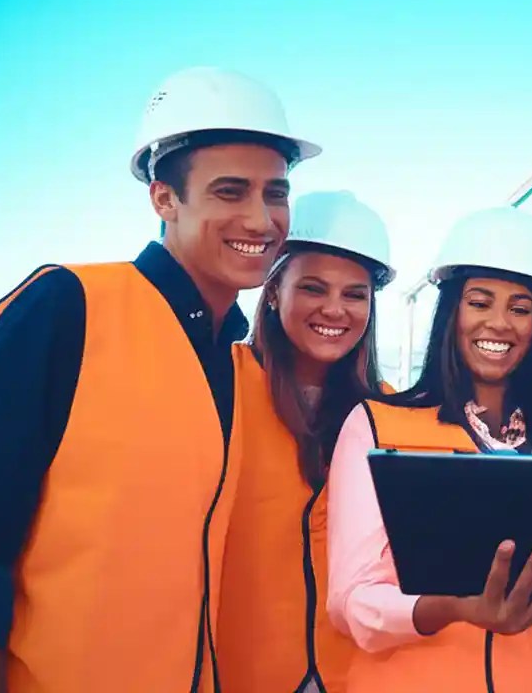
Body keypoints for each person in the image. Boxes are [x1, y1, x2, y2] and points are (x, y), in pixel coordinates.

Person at [0, 66, 319, 692]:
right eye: (230, 191)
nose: (261, 219)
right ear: (164, 198)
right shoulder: (67, 307)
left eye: (275, 193)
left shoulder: (236, 366)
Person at [325, 206, 532, 693]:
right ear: (451, 313)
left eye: (521, 309)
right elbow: (351, 602)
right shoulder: (376, 426)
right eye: (480, 302)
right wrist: (453, 607)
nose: (500, 323)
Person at [218, 191, 395, 693]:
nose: (335, 310)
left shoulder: (390, 416)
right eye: (313, 288)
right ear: (273, 292)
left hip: (355, 673)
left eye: (355, 295)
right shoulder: (222, 384)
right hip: (237, 670)